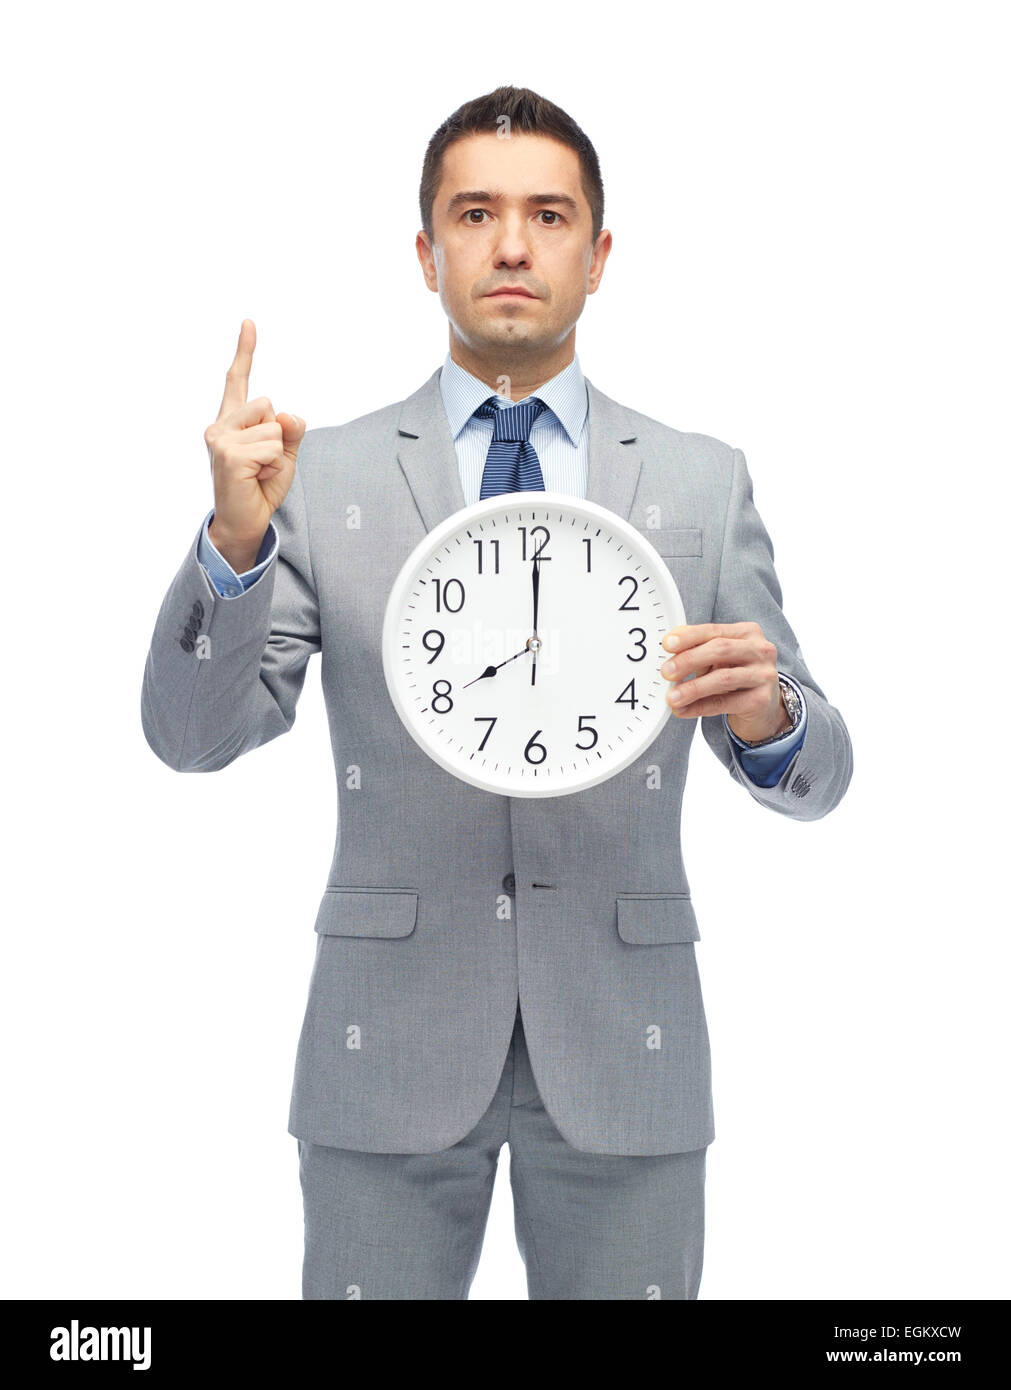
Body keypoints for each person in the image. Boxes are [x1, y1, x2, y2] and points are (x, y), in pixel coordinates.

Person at [141, 84, 853, 1300]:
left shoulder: (698, 480)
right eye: (475, 213)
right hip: (387, 1048)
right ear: (427, 253)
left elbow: (821, 775)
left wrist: (768, 713)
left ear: (598, 253)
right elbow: (191, 737)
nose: (512, 245)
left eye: (548, 215)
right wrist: (233, 539)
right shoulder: (320, 474)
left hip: (627, 1047)